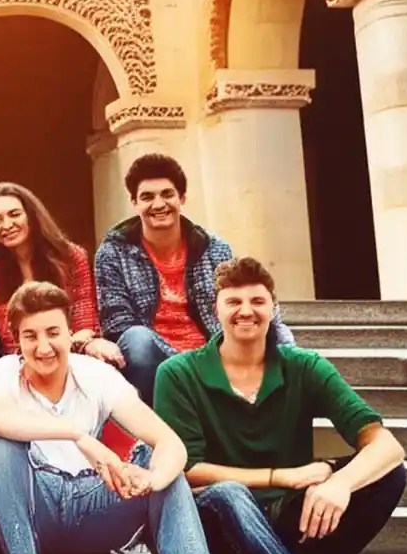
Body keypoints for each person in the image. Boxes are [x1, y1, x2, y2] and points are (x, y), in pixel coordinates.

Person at [155, 257, 406, 554]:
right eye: (233, 301)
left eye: (257, 301)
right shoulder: (178, 373)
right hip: (216, 526)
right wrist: (280, 476)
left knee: (389, 475)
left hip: (290, 516)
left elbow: (388, 447)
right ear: (215, 309)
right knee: (229, 495)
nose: (246, 310)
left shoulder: (304, 366)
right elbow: (187, 468)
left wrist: (340, 483)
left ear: (273, 309)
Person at [0, 281, 215, 554]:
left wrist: (153, 480)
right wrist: (77, 435)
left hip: (89, 504)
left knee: (160, 462)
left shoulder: (96, 374)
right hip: (27, 508)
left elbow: (170, 442)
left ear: (70, 333)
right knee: (0, 443)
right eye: (30, 336)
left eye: (53, 333)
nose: (44, 347)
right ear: (17, 340)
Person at [94, 153, 294, 403]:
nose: (158, 204)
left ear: (182, 198)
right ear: (134, 202)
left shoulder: (214, 249)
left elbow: (245, 295)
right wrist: (184, 366)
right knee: (137, 340)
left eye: (167, 194)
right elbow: (117, 324)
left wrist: (288, 348)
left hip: (213, 354)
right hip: (153, 361)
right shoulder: (114, 251)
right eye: (147, 197)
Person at [0, 182, 120, 366]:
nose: (6, 225)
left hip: (70, 352)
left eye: (14, 214)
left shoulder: (70, 256)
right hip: (14, 361)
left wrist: (69, 345)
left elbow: (85, 321)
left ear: (32, 215)